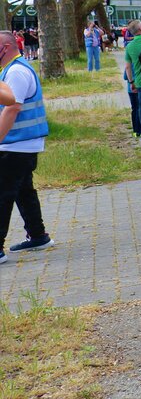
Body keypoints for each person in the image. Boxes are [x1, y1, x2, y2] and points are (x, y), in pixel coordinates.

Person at [0, 31, 55, 264]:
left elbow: (13, 108)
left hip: (15, 144)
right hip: (21, 143)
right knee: (23, 191)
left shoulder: (16, 72)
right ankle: (38, 235)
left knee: (3, 194)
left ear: (5, 47)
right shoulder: (12, 69)